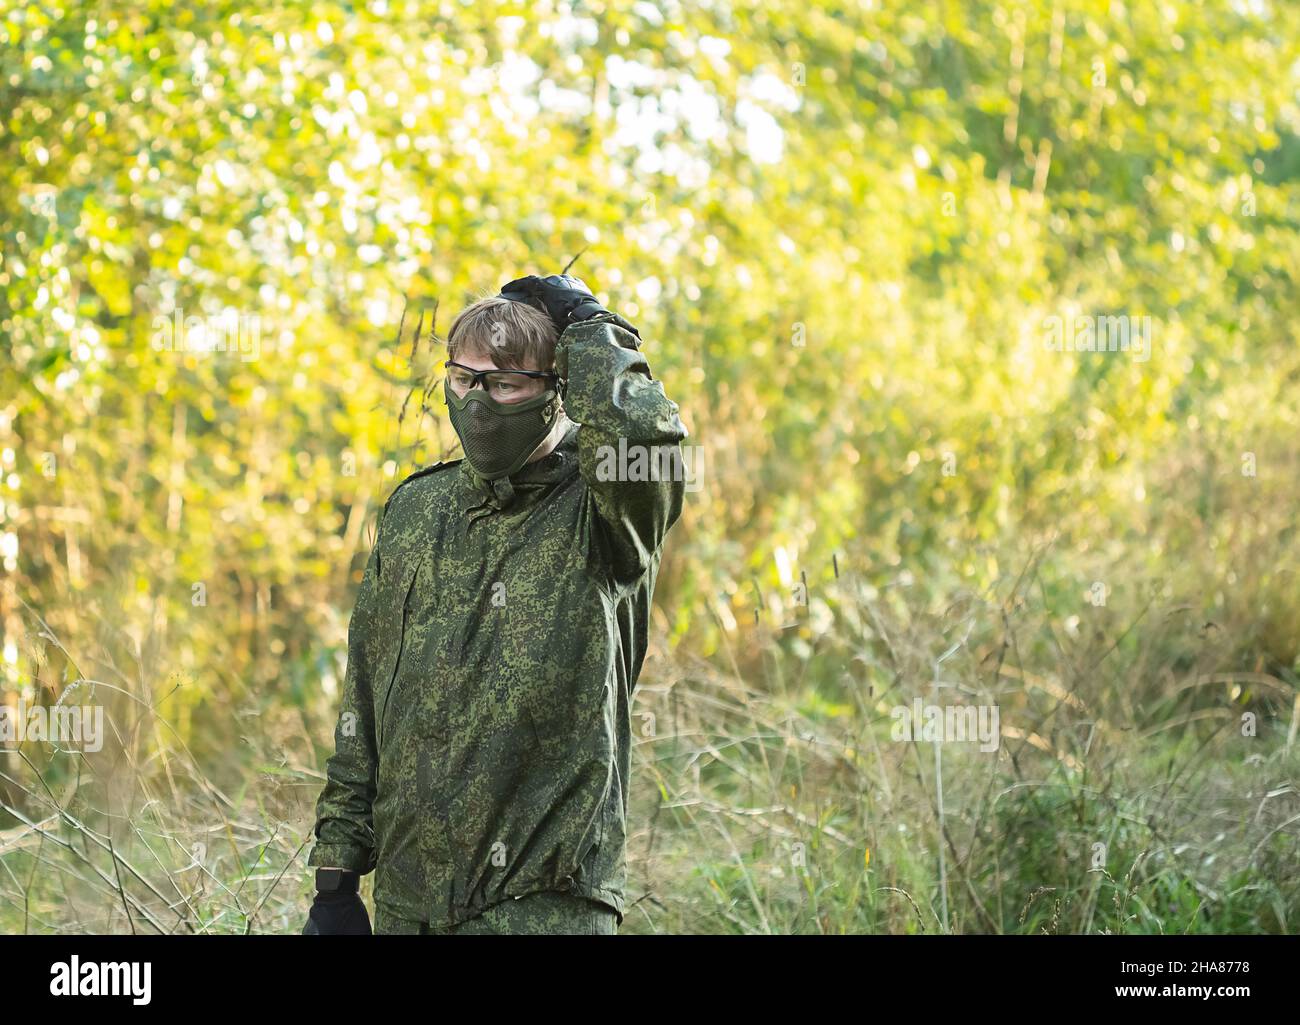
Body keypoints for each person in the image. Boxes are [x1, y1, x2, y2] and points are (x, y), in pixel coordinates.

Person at [302, 273, 687, 934]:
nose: (478, 403)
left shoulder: (604, 509)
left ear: (556, 390)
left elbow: (643, 439)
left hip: (545, 902)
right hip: (409, 902)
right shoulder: (417, 509)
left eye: (505, 384)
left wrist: (590, 327)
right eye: (464, 379)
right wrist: (335, 876)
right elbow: (366, 692)